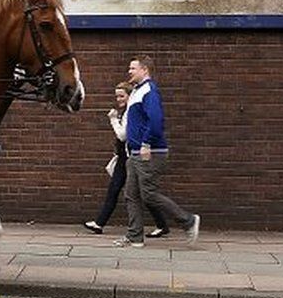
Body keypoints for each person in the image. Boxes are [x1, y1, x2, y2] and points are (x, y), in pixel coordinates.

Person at [114, 56, 199, 248]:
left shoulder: (149, 91)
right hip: (134, 153)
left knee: (149, 194)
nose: (129, 71)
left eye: (133, 68)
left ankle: (189, 221)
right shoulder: (136, 91)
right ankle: (135, 236)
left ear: (144, 70)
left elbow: (156, 120)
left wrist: (145, 144)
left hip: (149, 152)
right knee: (131, 195)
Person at [84, 82, 170, 237]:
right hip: (125, 157)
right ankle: (100, 223)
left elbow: (122, 135)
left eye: (122, 96)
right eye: (116, 96)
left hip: (131, 157)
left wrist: (113, 119)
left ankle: (170, 223)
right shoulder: (126, 111)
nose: (118, 99)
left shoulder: (131, 112)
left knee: (142, 194)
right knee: (116, 190)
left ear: (131, 96)